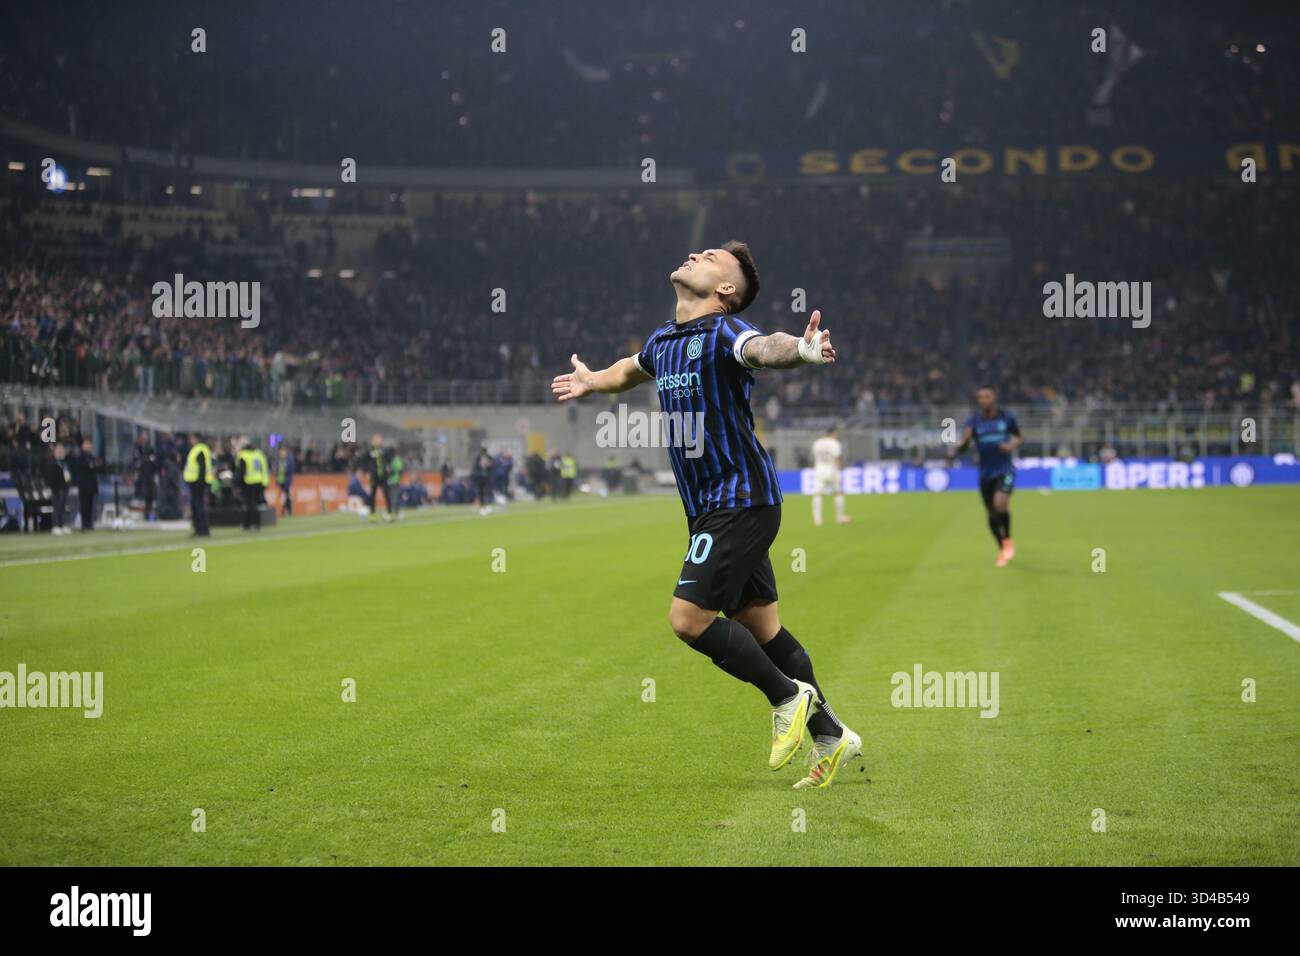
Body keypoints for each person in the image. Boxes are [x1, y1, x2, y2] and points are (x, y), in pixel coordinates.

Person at [551, 240, 861, 789]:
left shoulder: (724, 333)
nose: (695, 254)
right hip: (710, 509)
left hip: (739, 501)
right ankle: (832, 734)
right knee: (763, 628)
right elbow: (630, 369)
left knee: (687, 620)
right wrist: (593, 380)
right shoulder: (664, 341)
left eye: (711, 257)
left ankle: (788, 697)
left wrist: (804, 350)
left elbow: (766, 347)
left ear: (726, 291)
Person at [952, 386, 1022, 567]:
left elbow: (1019, 437)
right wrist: (964, 442)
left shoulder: (1006, 418)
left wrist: (1011, 446)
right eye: (980, 397)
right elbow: (961, 449)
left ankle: (1007, 539)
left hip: (1005, 469)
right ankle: (1002, 548)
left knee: (1000, 503)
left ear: (994, 397)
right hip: (985, 472)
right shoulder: (973, 421)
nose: (984, 400)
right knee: (991, 513)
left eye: (987, 396)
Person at [811, 425, 850, 526]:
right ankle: (839, 517)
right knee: (838, 493)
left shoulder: (817, 443)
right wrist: (839, 472)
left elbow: (815, 456)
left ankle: (817, 520)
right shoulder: (834, 443)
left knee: (818, 494)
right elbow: (837, 458)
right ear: (833, 433)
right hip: (832, 470)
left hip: (819, 471)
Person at [182, 431, 213, 537]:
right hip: (195, 482)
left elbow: (202, 468)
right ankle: (199, 528)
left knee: (198, 506)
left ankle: (202, 529)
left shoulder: (200, 449)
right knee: (196, 505)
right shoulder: (199, 449)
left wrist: (200, 482)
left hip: (197, 482)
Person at [236, 437, 270, 530]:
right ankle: (249, 523)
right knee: (254, 504)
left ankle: (253, 523)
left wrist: (237, 484)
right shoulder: (258, 454)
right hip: (259, 481)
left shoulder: (243, 455)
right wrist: (264, 482)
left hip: (248, 482)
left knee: (249, 504)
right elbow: (264, 468)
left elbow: (240, 471)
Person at [68, 439, 99, 532]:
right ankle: (84, 525)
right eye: (86, 444)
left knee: (90, 506)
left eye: (89, 444)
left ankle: (90, 524)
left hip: (92, 485)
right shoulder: (80, 457)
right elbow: (87, 467)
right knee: (84, 506)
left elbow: (95, 467)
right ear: (83, 445)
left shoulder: (92, 457)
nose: (88, 446)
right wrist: (91, 466)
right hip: (84, 485)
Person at [44, 444, 71, 535]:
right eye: (58, 450)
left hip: (64, 487)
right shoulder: (52, 463)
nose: (60, 452)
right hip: (56, 488)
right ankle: (55, 526)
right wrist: (53, 487)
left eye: (61, 450)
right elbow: (51, 477)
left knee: (63, 507)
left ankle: (62, 525)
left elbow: (67, 476)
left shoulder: (65, 463)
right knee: (57, 507)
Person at [277, 446, 296, 516]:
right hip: (281, 481)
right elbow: (279, 471)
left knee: (286, 496)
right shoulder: (280, 460)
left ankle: (286, 510)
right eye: (280, 452)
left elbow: (290, 470)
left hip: (287, 481)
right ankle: (286, 510)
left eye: (282, 452)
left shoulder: (289, 460)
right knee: (285, 496)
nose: (281, 453)